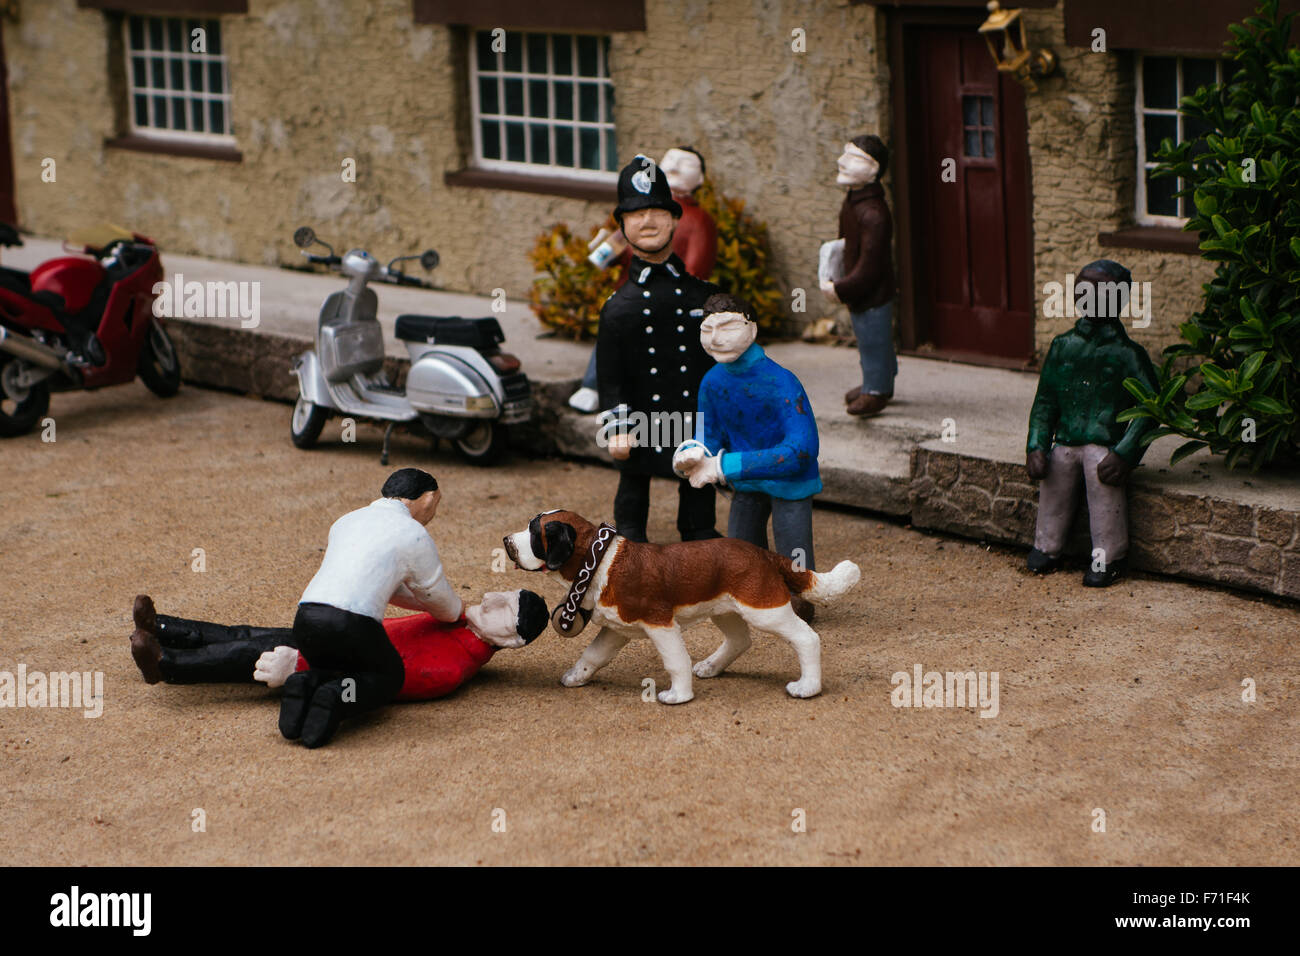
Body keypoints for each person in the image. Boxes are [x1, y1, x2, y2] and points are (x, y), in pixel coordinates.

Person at [278, 467, 462, 747]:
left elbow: (386, 587)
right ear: (427, 499)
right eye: (435, 504)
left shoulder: (346, 521)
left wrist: (424, 605)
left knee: (334, 665)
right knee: (387, 676)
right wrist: (458, 610)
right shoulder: (413, 533)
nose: (433, 512)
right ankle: (336, 698)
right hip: (352, 624)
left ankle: (305, 682)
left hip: (307, 616)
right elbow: (436, 598)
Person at [596, 156, 722, 543]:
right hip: (642, 418)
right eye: (635, 215)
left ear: (674, 218)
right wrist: (617, 427)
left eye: (656, 212)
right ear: (622, 226)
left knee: (698, 483)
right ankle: (631, 541)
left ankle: (699, 535)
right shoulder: (618, 306)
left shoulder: (705, 296)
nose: (647, 222)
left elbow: (721, 365)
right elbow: (611, 377)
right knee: (633, 484)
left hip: (693, 417)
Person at [672, 293, 821, 619]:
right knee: (740, 549)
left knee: (794, 554)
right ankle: (754, 594)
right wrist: (694, 452)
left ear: (751, 329)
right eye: (707, 329)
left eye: (727, 327)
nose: (715, 338)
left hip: (788, 483)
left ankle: (800, 595)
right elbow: (708, 433)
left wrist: (725, 465)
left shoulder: (782, 382)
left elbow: (802, 451)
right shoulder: (712, 381)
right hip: (746, 482)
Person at [127, 590, 547, 698]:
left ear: (509, 641)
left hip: (322, 659)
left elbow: (381, 681)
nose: (490, 600)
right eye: (502, 593)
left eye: (502, 610)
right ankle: (162, 627)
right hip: (332, 634)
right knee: (245, 633)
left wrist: (301, 670)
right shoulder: (456, 616)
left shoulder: (451, 669)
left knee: (244, 655)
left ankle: (166, 665)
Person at [1025, 259, 1158, 587]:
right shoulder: (1063, 347)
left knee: (1102, 481)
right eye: (1083, 289)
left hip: (1104, 445)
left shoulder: (1129, 354)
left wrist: (1125, 453)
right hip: (1067, 440)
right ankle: (1047, 544)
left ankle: (1108, 555)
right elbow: (1045, 403)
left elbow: (1151, 409)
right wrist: (1037, 445)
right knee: (1056, 470)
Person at [570, 145, 718, 413]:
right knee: (612, 335)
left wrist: (684, 290)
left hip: (673, 295)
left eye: (685, 163)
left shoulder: (698, 220)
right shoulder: (638, 209)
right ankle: (593, 386)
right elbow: (621, 248)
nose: (673, 166)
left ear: (700, 179)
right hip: (632, 289)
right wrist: (610, 250)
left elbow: (699, 264)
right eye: (669, 159)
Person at [821, 134, 897, 417]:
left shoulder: (874, 213)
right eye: (844, 154)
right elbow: (846, 244)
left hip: (871, 291)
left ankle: (876, 390)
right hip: (858, 287)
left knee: (872, 339)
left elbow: (871, 266)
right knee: (872, 338)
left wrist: (841, 288)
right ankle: (880, 381)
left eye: (853, 158)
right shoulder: (852, 202)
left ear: (873, 169)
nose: (841, 161)